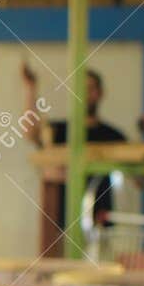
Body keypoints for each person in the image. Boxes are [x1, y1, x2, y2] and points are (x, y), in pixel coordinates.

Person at [21, 62, 126, 224]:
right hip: (62, 224)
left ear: (100, 93)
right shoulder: (61, 131)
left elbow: (137, 178)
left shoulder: (114, 136)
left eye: (90, 89)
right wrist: (30, 88)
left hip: (100, 225)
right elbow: (31, 132)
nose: (85, 94)